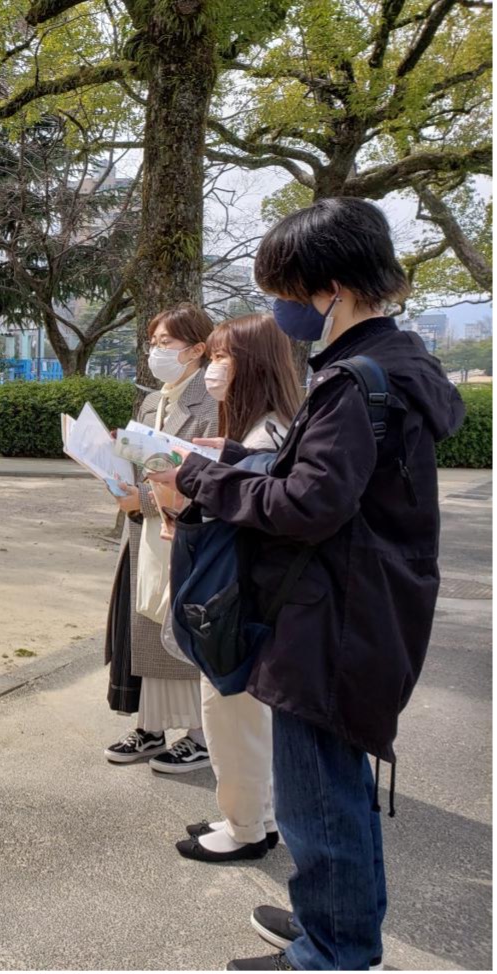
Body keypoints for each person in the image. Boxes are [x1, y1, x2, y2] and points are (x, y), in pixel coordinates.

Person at [150, 198, 465, 970]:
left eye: (282, 291)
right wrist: (249, 461)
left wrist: (204, 484)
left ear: (329, 286)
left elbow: (309, 505)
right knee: (336, 788)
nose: (277, 309)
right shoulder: (397, 362)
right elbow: (332, 481)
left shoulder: (356, 379)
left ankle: (335, 950)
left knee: (319, 797)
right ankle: (332, 923)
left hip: (330, 619)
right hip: (361, 608)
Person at [173, 313, 302, 865]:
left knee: (232, 713)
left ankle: (245, 829)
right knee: (243, 716)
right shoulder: (266, 429)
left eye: (224, 358)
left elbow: (246, 517)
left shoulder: (265, 434)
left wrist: (183, 491)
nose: (214, 369)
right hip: (247, 597)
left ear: (254, 365)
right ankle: (255, 816)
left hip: (238, 600)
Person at [103, 303, 218, 774]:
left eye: (166, 343)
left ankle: (198, 736)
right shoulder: (154, 401)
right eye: (153, 342)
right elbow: (143, 465)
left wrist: (144, 502)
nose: (157, 352)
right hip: (145, 535)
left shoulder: (212, 404)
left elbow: (203, 480)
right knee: (147, 629)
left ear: (197, 349)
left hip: (182, 535)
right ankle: (152, 726)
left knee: (179, 628)